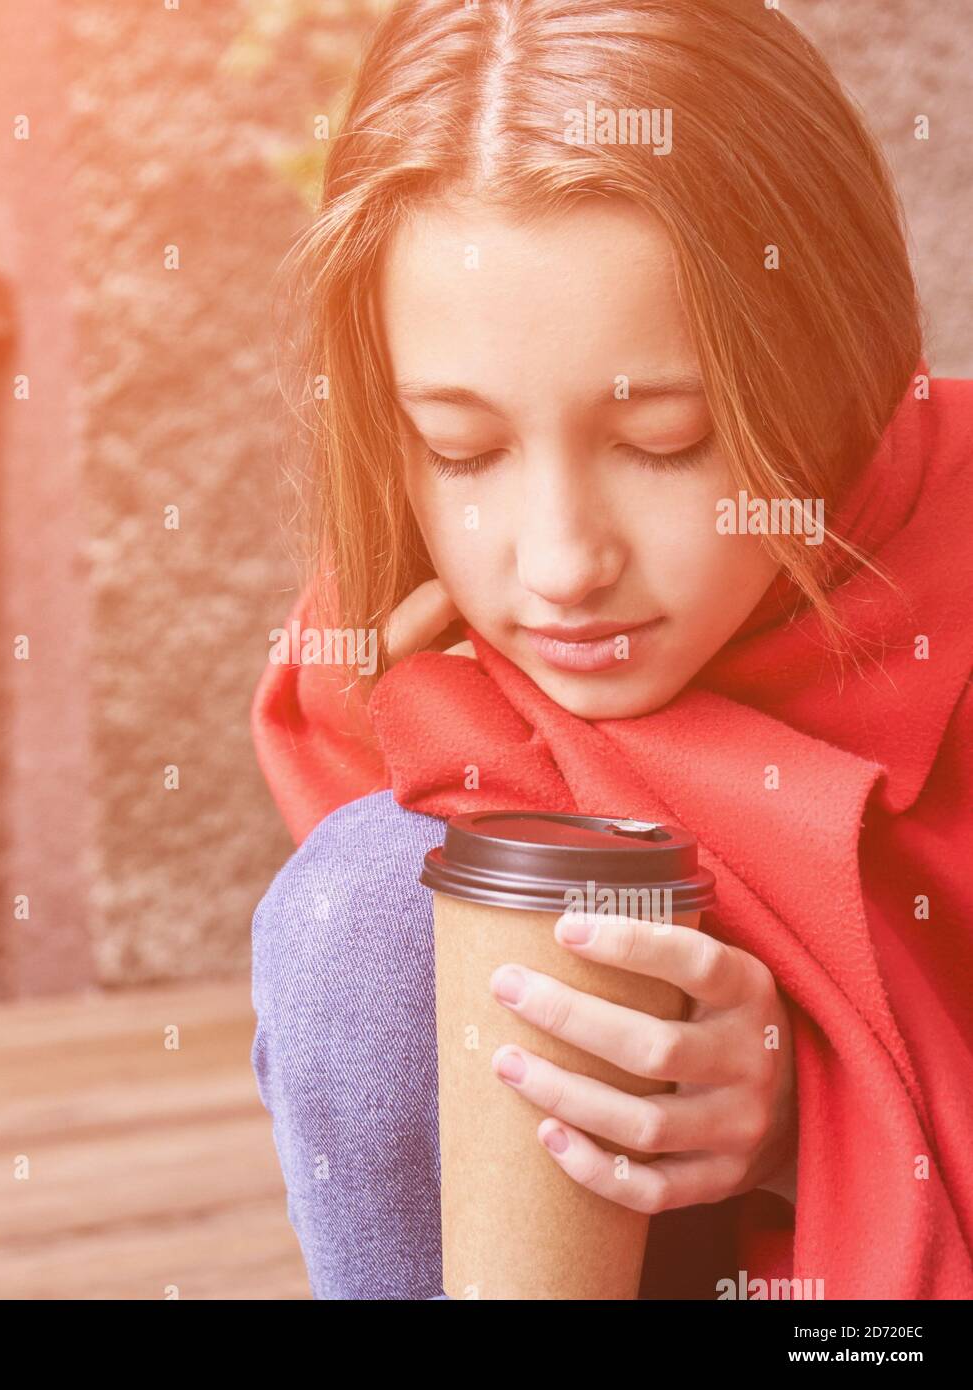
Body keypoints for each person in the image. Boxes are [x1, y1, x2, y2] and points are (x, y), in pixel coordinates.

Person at [248, 0, 973, 1300]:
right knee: (364, 913)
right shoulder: (401, 624)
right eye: (463, 449)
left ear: (832, 358)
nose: (560, 560)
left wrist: (810, 1127)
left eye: (665, 439)